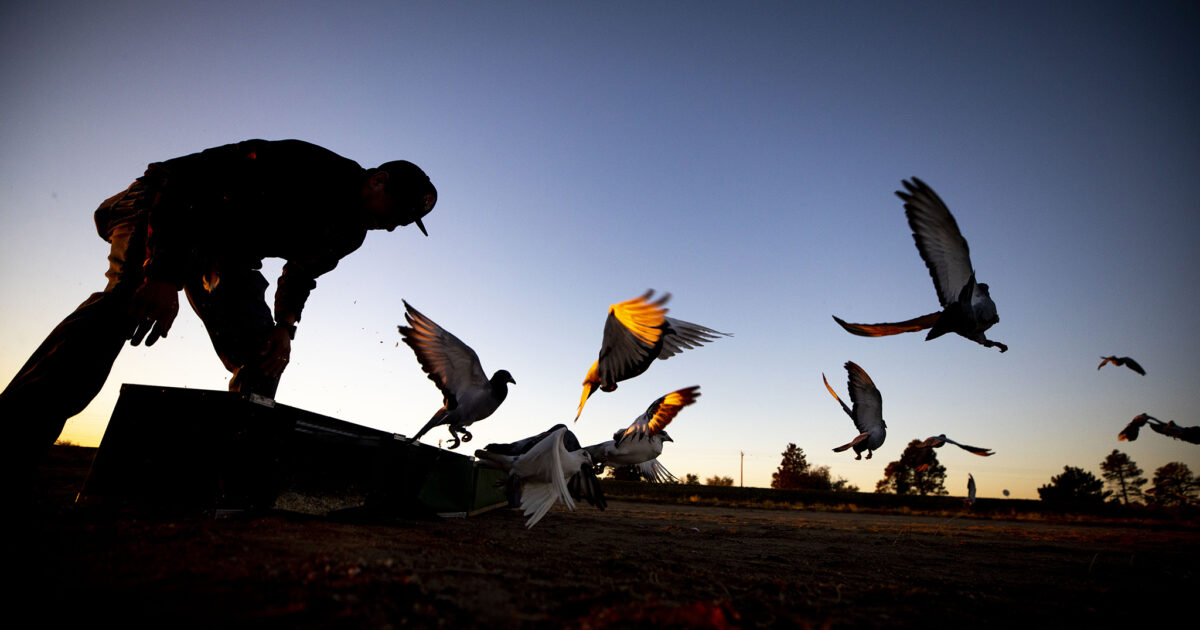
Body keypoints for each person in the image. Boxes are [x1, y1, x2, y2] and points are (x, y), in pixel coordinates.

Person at [0, 139, 437, 476]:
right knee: (123, 306)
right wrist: (162, 275)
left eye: (406, 222)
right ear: (377, 180)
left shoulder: (351, 234)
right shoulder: (308, 165)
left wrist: (285, 326)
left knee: (264, 354)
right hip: (161, 206)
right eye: (398, 211)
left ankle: (232, 474)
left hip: (224, 250)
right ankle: (12, 439)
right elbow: (183, 184)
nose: (396, 226)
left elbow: (302, 274)